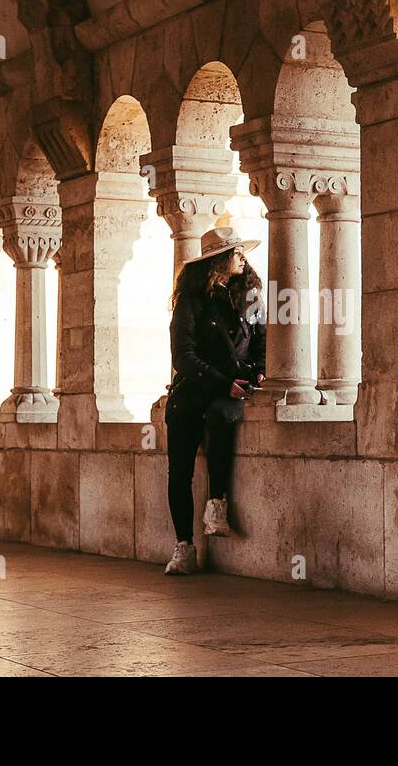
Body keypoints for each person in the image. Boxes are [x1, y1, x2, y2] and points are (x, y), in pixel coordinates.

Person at [163, 225, 265, 575]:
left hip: (230, 391)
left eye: (240, 251)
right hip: (192, 393)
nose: (242, 257)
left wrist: (261, 372)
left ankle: (217, 503)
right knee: (180, 471)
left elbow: (264, 340)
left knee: (223, 418)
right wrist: (223, 383)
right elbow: (184, 356)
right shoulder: (189, 303)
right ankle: (184, 546)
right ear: (216, 261)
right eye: (235, 252)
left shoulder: (248, 296)